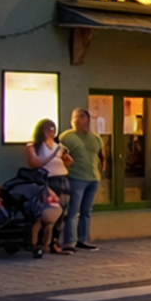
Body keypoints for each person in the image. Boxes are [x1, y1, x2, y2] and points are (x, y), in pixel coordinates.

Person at [23, 119, 75, 254]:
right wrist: (53, 154)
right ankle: (40, 243)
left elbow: (68, 161)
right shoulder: (34, 145)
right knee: (46, 213)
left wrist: (65, 157)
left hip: (62, 179)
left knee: (61, 212)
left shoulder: (57, 145)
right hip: (48, 181)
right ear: (41, 131)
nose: (51, 132)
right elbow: (34, 163)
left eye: (53, 129)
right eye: (48, 129)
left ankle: (55, 242)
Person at [58, 107, 103, 251]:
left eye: (82, 118)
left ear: (88, 120)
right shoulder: (66, 137)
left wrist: (100, 170)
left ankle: (82, 240)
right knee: (73, 211)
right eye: (76, 118)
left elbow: (100, 155)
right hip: (76, 177)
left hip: (93, 177)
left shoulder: (95, 138)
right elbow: (60, 156)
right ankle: (68, 241)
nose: (79, 121)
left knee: (86, 211)